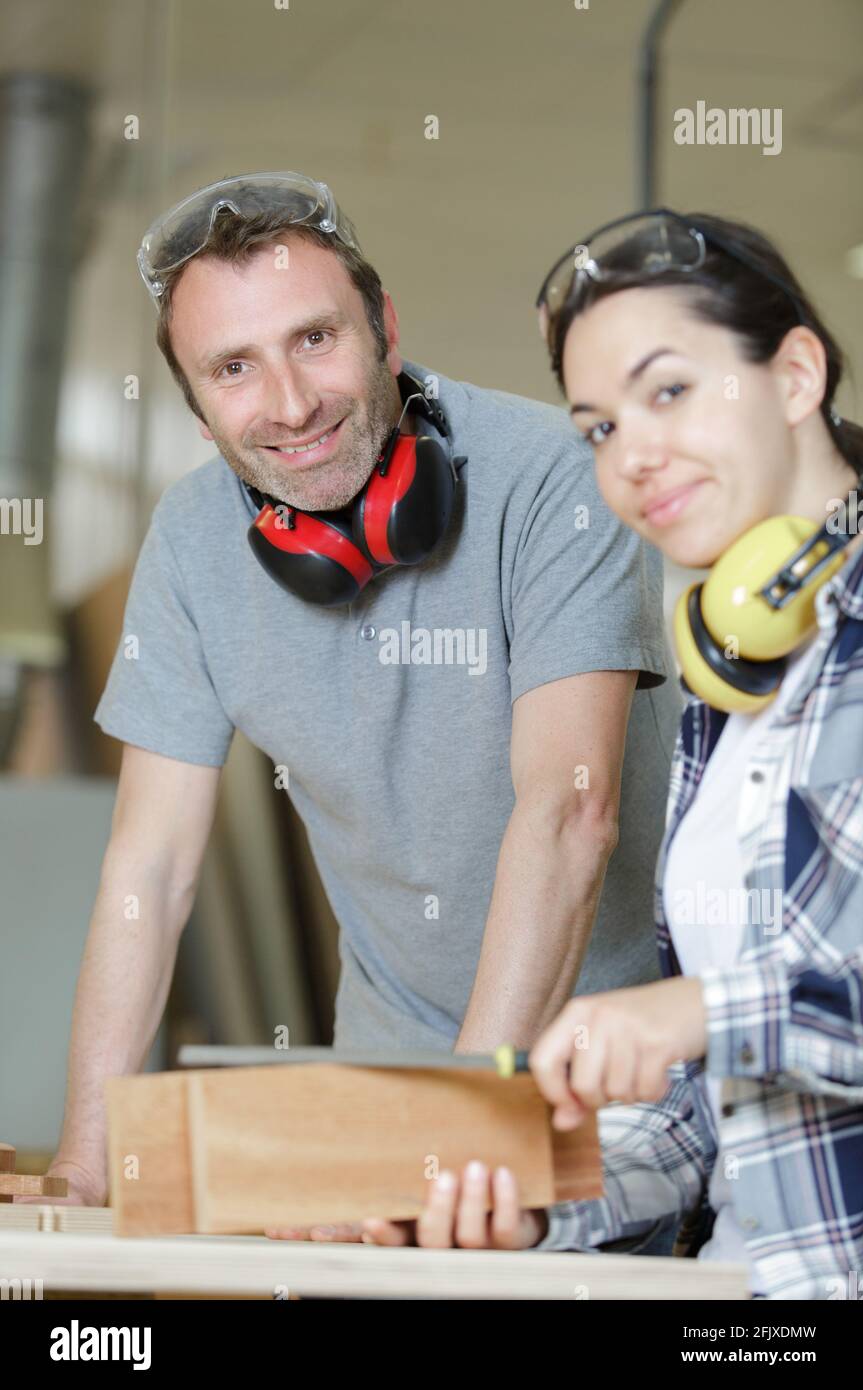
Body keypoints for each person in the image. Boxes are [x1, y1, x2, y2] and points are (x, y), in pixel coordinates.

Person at [38, 175, 682, 1210]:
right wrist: (83, 1157)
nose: (290, 405)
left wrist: (462, 1137)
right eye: (233, 368)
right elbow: (149, 869)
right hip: (393, 1071)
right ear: (198, 407)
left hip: (620, 1061)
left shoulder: (550, 479)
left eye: (315, 339)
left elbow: (568, 812)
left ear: (382, 326)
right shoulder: (192, 544)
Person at [346, 209, 863, 1301]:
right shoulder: (725, 696)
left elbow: (721, 1020)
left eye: (666, 390)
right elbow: (708, 1114)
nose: (630, 456)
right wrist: (534, 1198)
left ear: (793, 374)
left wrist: (698, 1009)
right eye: (595, 426)